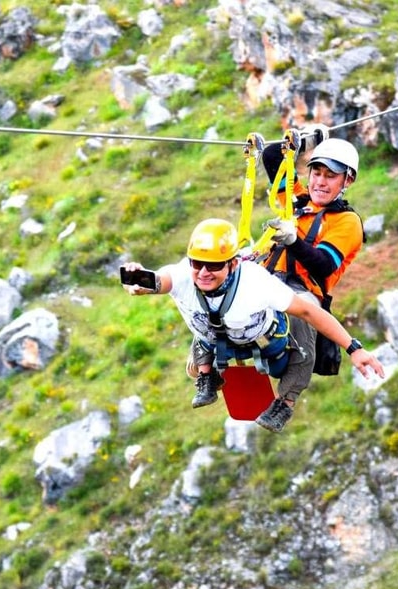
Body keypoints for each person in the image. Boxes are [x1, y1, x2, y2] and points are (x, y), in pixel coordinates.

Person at [121, 218, 383, 432]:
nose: (203, 273)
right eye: (197, 264)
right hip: (213, 340)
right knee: (201, 328)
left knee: (303, 341)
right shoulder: (183, 276)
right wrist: (139, 282)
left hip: (264, 340)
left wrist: (354, 348)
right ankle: (206, 376)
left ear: (233, 264)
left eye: (213, 265)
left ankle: (286, 402)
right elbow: (159, 281)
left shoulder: (255, 282)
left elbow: (308, 312)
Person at [257, 128, 366, 406]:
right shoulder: (298, 201)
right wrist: (307, 141)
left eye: (330, 176)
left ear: (347, 180)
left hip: (303, 288)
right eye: (316, 173)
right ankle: (206, 367)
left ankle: (287, 400)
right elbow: (273, 155)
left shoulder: (347, 221)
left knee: (303, 312)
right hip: (269, 277)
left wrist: (293, 241)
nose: (320, 182)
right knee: (217, 281)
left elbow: (324, 265)